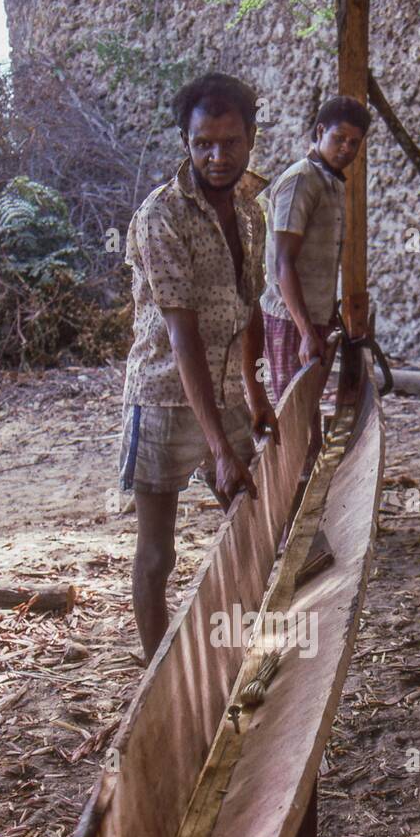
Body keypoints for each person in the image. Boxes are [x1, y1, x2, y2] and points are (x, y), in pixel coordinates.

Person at [120, 72, 279, 661]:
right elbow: (181, 337)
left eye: (230, 143)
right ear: (185, 142)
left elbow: (249, 306)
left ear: (251, 138)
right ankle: (157, 673)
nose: (217, 156)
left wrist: (255, 393)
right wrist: (218, 446)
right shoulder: (162, 216)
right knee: (157, 553)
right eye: (202, 143)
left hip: (225, 395)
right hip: (163, 396)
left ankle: (247, 653)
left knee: (255, 523)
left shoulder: (251, 212)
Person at [260, 95, 371, 482]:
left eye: (354, 143)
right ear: (320, 131)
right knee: (294, 419)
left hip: (314, 318)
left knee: (306, 414)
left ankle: (305, 500)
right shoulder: (300, 181)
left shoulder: (331, 183)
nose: (346, 149)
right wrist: (306, 330)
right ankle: (289, 507)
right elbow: (282, 263)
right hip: (291, 320)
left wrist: (325, 318)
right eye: (339, 138)